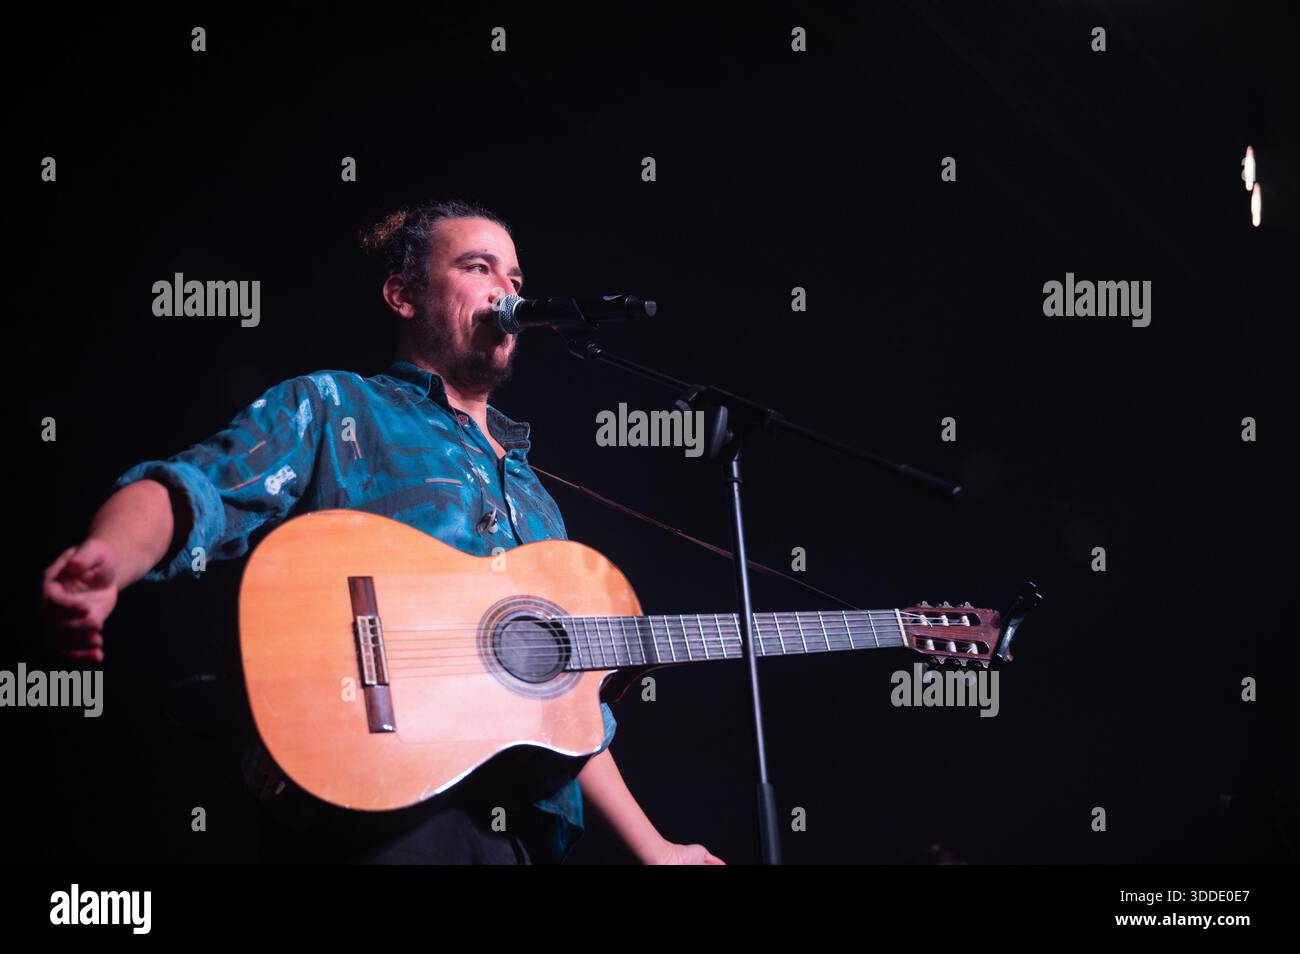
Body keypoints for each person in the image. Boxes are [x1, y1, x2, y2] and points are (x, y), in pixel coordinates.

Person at [40, 199, 725, 866]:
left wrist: (656, 849)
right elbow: (192, 489)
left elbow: (559, 708)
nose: (507, 290)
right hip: (370, 804)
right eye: (479, 268)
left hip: (511, 834)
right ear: (403, 294)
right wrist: (107, 559)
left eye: (515, 279)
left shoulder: (535, 497)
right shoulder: (338, 404)